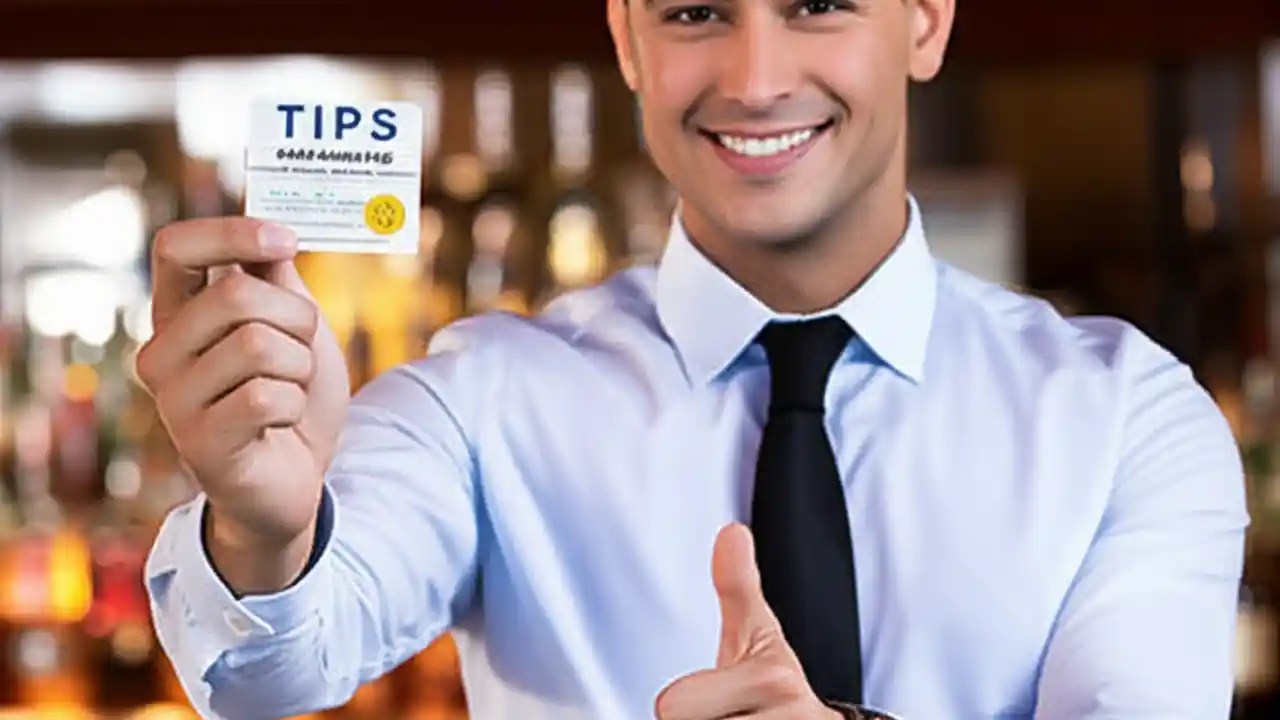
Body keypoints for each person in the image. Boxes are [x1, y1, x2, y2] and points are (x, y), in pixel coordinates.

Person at [140, 0, 1249, 718]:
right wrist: (261, 529)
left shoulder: (1125, 418)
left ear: (924, 19)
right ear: (625, 38)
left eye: (816, 4)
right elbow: (266, 674)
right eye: (694, 11)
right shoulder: (478, 399)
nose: (755, 77)